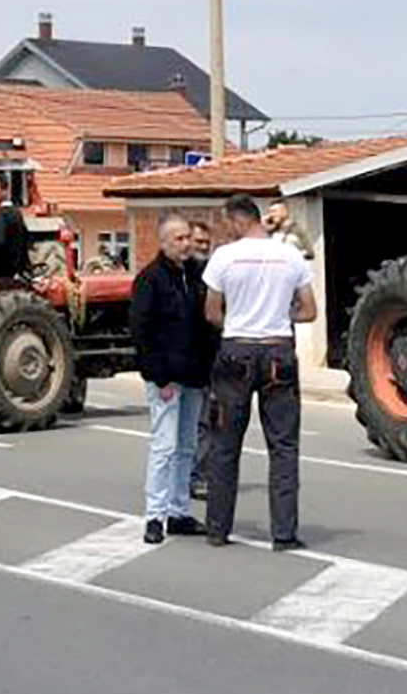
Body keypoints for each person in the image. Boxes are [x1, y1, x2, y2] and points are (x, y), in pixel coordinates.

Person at [200, 194, 317, 549]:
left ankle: (218, 530)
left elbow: (211, 312)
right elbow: (309, 311)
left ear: (237, 221)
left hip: (235, 352)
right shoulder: (291, 255)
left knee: (224, 445)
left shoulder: (224, 257)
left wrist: (238, 321)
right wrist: (280, 316)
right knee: (283, 446)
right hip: (278, 352)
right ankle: (283, 534)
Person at [131, 216, 215, 543]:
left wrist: (208, 369)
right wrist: (158, 376)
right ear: (164, 242)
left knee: (187, 447)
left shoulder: (195, 276)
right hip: (166, 379)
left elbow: (206, 326)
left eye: (187, 239)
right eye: (179, 239)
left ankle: (179, 511)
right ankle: (155, 516)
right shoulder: (150, 280)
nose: (186, 244)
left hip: (194, 376)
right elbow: (141, 331)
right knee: (164, 447)